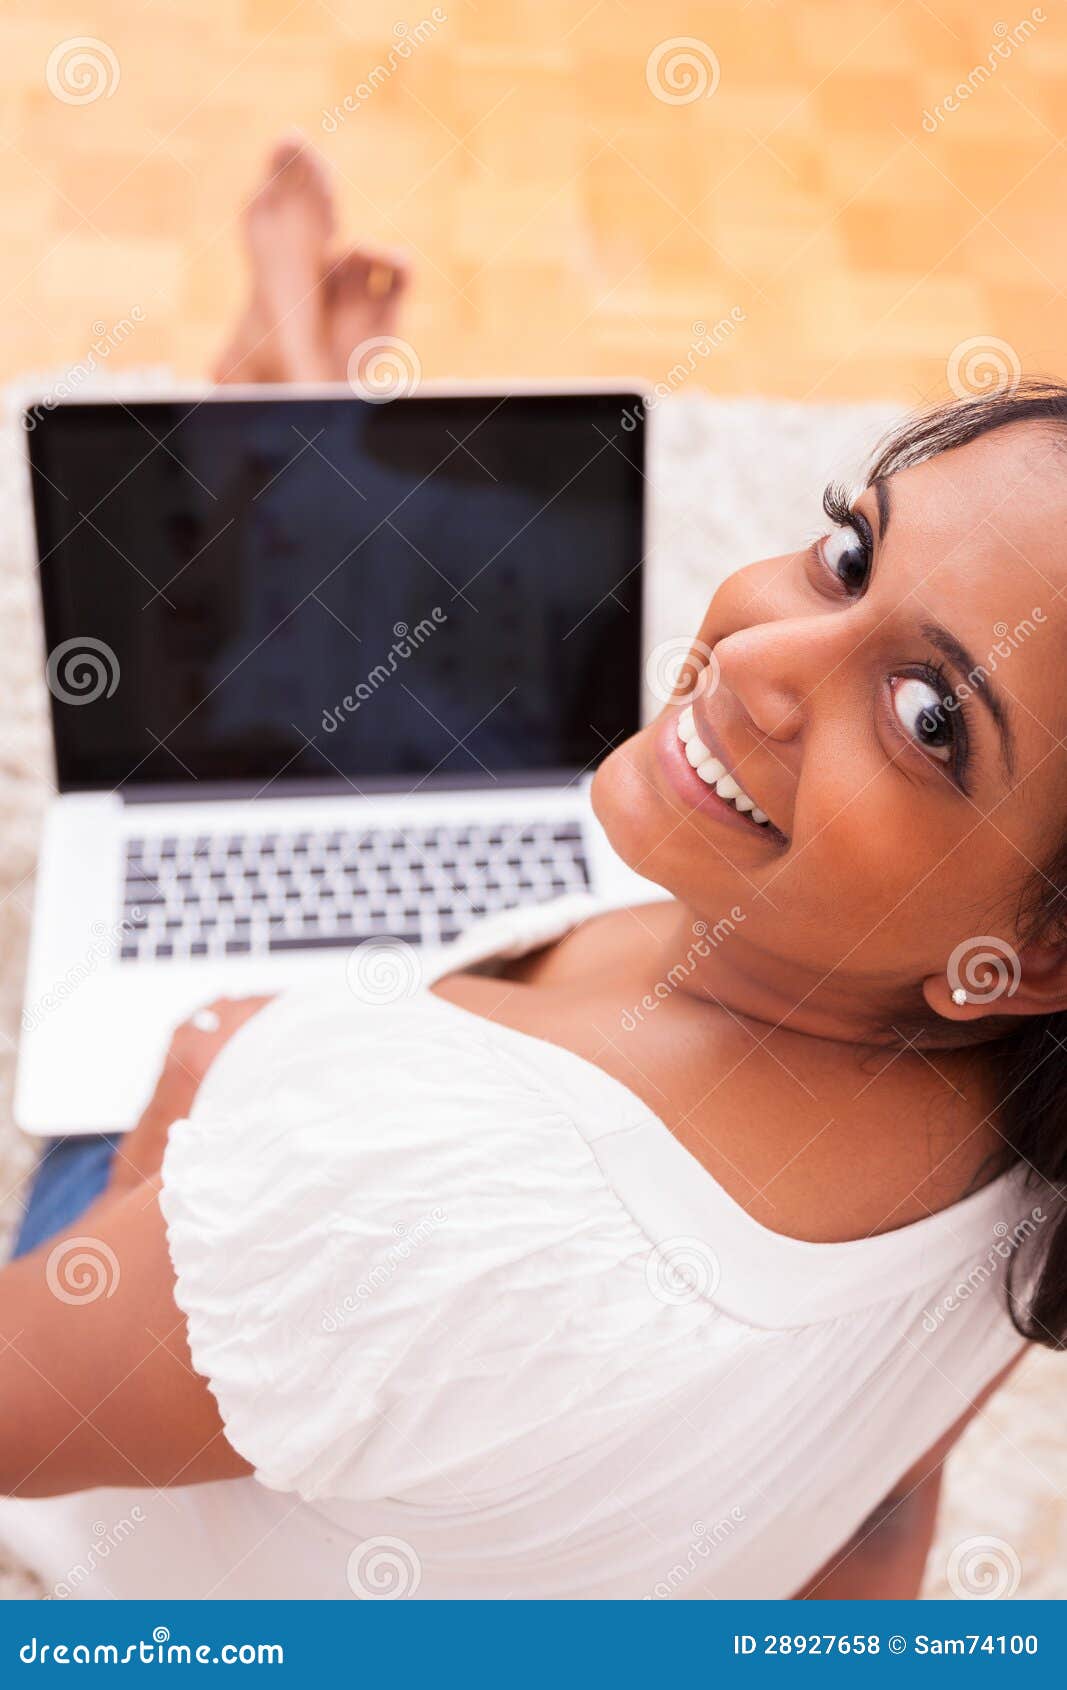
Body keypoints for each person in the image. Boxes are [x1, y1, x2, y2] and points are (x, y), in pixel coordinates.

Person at [0, 140, 1063, 1602]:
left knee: (270, 732)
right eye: (847, 551)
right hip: (366, 1377)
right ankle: (300, 406)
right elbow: (880, 1523)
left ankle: (276, 414)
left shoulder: (382, 1198)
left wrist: (190, 1110)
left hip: (175, 1462)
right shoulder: (1039, 1172)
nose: (750, 654)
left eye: (931, 715)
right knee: (439, 713)